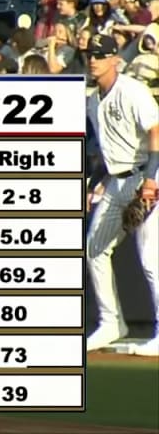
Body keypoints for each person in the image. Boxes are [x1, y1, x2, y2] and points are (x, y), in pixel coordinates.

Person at [84, 34, 159, 356]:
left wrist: (152, 181)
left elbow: (156, 130)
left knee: (151, 260)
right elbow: (107, 148)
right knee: (95, 249)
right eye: (90, 54)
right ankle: (111, 323)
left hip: (146, 173)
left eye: (100, 55)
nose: (93, 60)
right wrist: (96, 182)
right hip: (117, 181)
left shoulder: (132, 90)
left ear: (115, 58)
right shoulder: (91, 99)